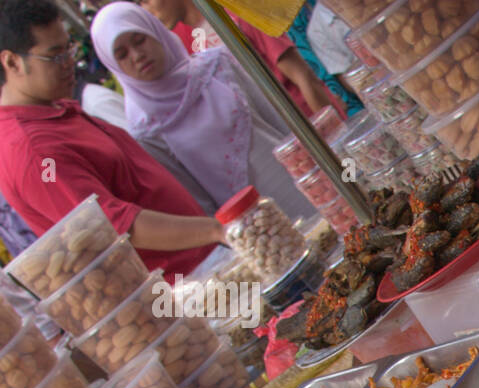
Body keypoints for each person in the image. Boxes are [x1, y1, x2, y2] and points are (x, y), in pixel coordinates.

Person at [0, 0, 221, 276]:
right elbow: (114, 224)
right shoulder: (35, 151)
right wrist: (216, 230)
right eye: (54, 55)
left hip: (203, 261)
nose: (70, 62)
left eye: (68, 48)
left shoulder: (54, 110)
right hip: (182, 283)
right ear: (12, 62)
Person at [91, 3, 315, 222]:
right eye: (122, 54)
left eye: (140, 40)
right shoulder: (146, 131)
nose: (137, 55)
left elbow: (280, 119)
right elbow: (198, 201)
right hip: (256, 224)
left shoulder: (218, 64)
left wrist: (315, 166)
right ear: (114, 66)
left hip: (302, 181)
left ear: (154, 31)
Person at [139, 0, 342, 119]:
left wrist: (331, 138)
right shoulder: (187, 44)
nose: (145, 10)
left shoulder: (236, 14)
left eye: (146, 0)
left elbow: (303, 76)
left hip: (309, 122)